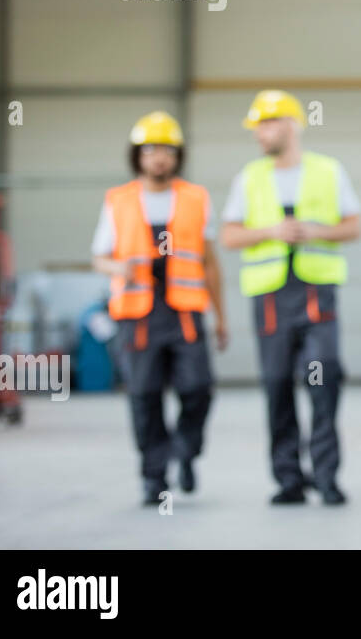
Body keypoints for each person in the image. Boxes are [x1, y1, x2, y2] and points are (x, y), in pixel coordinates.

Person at [219, 90, 361, 506]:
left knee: (324, 375)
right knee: (277, 385)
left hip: (317, 293)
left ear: (291, 124)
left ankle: (326, 476)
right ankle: (288, 480)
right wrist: (270, 232)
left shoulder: (328, 171)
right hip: (270, 299)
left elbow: (353, 226)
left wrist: (314, 231)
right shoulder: (249, 178)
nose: (260, 134)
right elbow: (229, 235)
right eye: (257, 126)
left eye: (266, 124)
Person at [91, 111, 228, 505]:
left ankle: (184, 452)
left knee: (198, 389)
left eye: (167, 150)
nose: (159, 158)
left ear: (177, 156)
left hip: (184, 313)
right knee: (144, 396)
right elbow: (100, 256)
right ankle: (154, 477)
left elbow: (209, 263)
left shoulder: (195, 199)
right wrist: (117, 267)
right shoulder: (118, 201)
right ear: (138, 156)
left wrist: (221, 318)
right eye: (151, 150)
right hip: (137, 316)